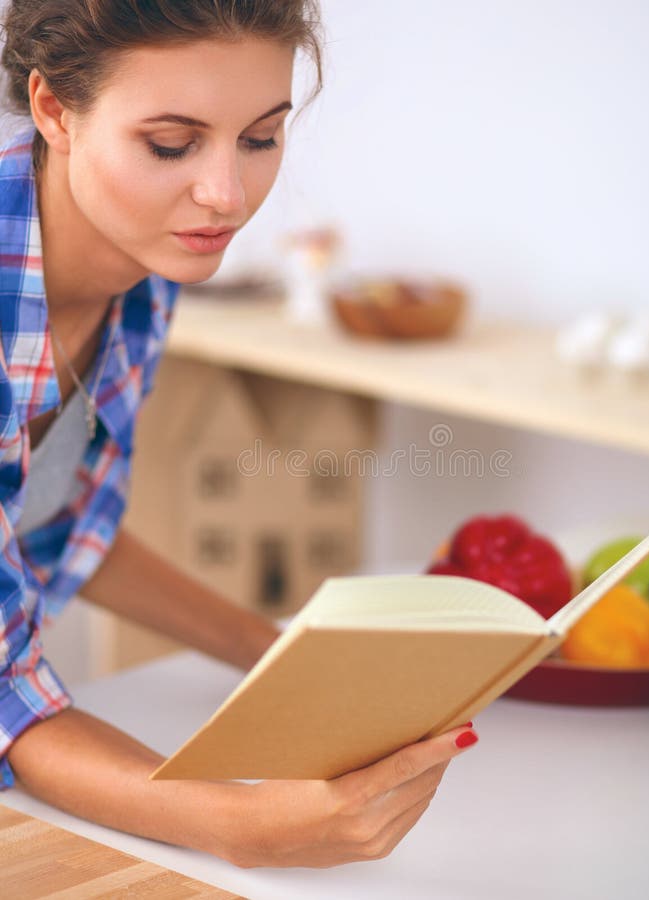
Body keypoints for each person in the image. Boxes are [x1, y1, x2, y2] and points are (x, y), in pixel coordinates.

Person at [0, 0, 479, 869]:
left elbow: (59, 526)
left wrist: (281, 656)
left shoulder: (146, 260)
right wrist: (235, 824)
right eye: (171, 145)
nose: (225, 195)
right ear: (52, 110)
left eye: (259, 139)